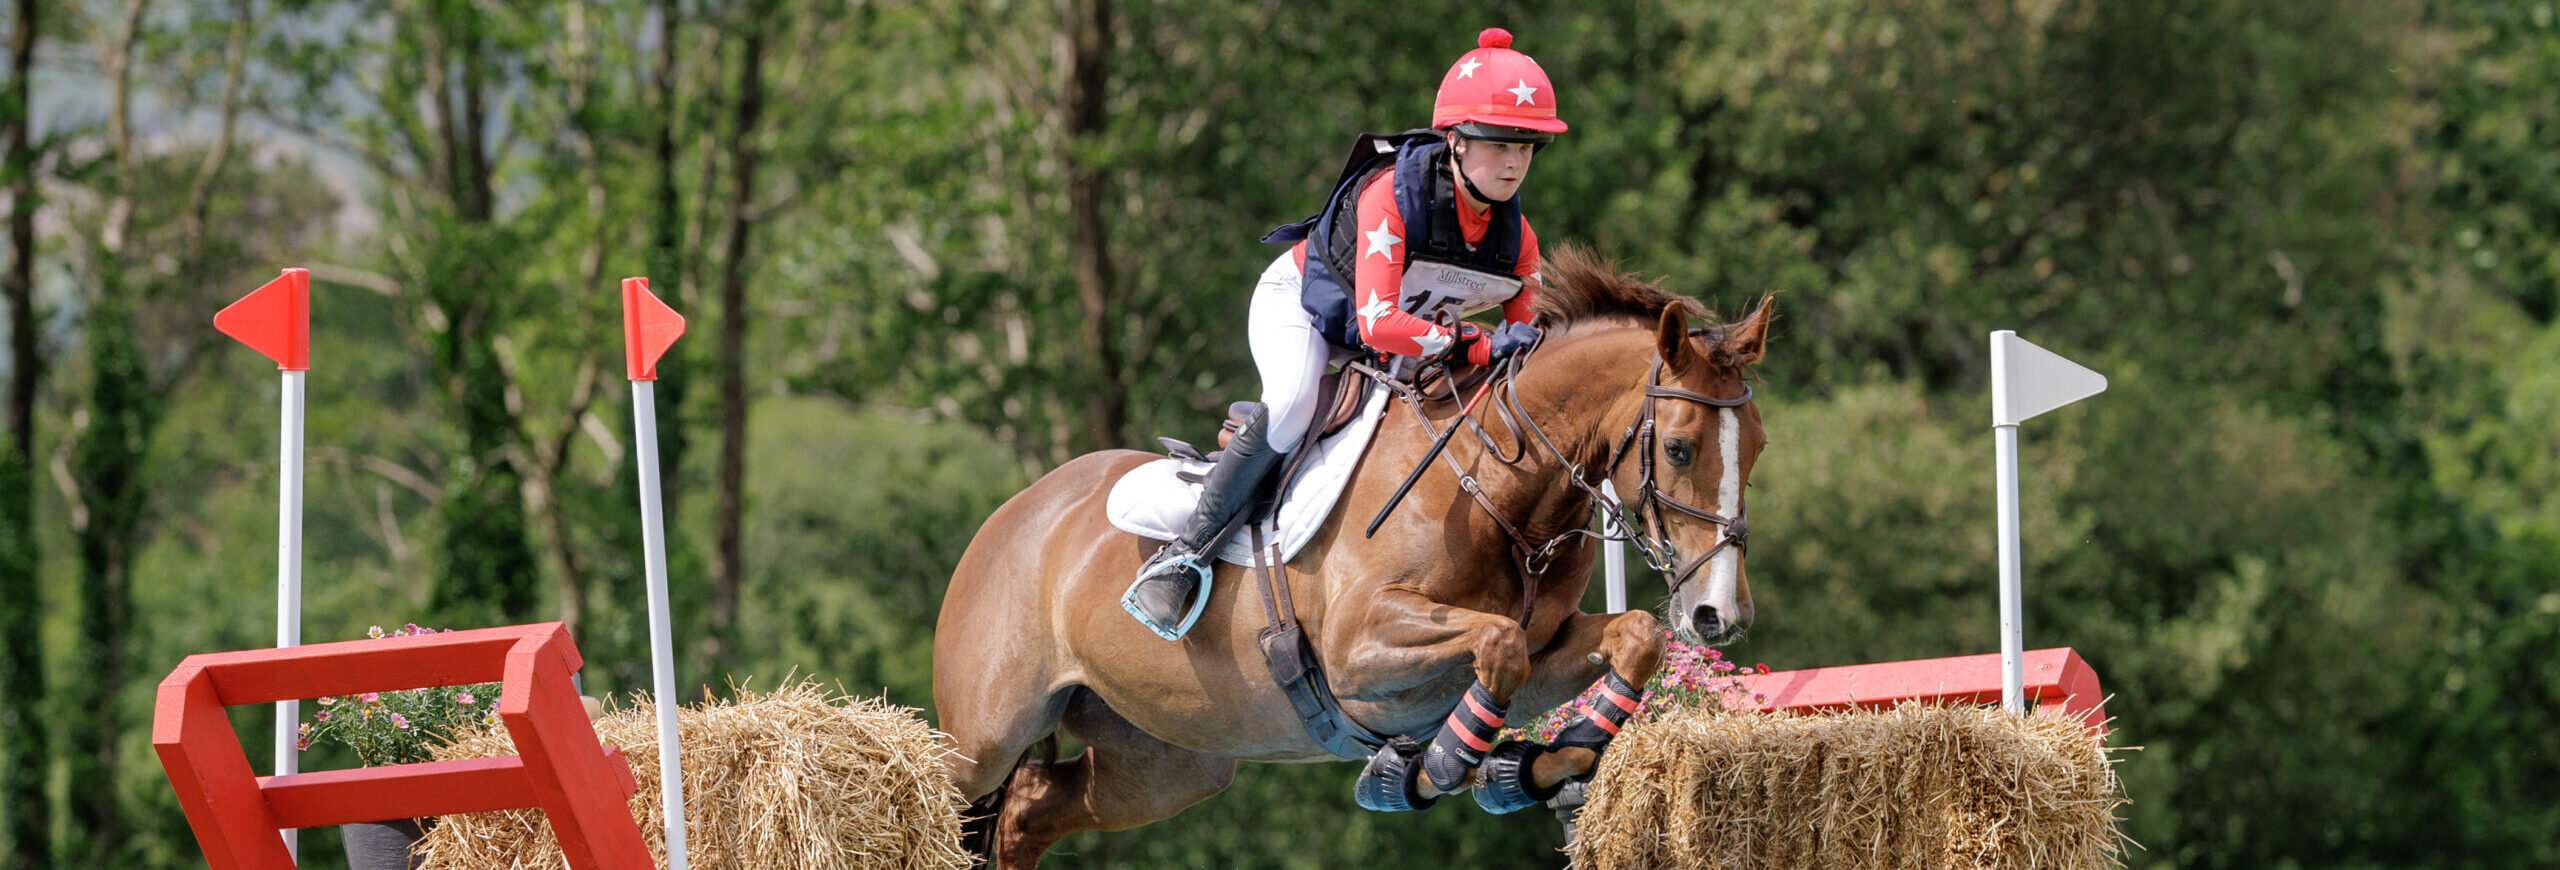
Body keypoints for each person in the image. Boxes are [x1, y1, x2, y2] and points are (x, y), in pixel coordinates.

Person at [1122, 27, 1565, 640]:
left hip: (1400, 340)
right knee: (1295, 404)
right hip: (1306, 311)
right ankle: (1186, 556)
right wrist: (1480, 344)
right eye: (1498, 143)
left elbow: (1522, 363)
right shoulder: (1395, 196)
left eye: (1528, 146)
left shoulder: (1520, 241)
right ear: (1455, 141)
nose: (1515, 162)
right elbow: (1376, 323)